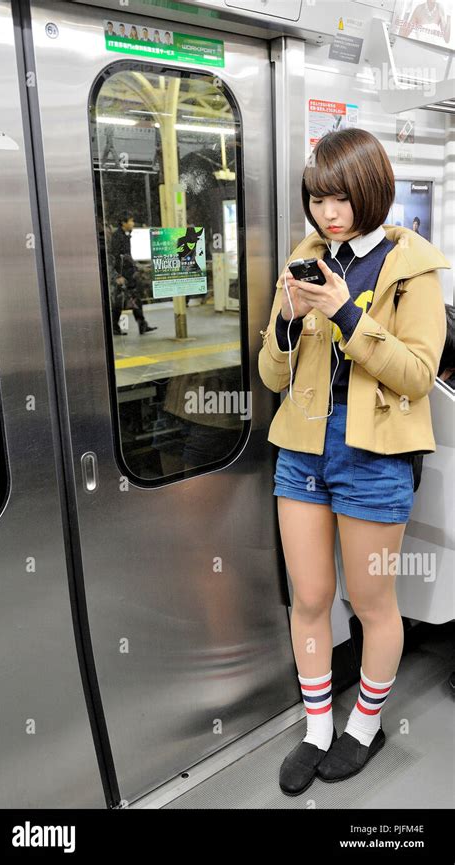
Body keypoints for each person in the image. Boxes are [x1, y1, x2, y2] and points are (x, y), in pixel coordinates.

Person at [258, 127, 451, 796]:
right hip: (303, 445)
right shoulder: (308, 255)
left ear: (371, 191)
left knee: (370, 601)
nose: (328, 213)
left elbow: (419, 374)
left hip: (375, 452)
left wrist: (346, 314)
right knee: (309, 597)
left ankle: (364, 725)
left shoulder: (414, 268)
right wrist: (286, 322)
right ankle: (317, 728)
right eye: (317, 199)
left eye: (340, 199)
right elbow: (271, 373)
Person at [110, 212, 157, 335]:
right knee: (120, 302)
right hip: (122, 274)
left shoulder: (125, 235)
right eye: (130, 221)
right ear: (123, 223)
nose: (132, 223)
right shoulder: (117, 237)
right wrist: (117, 276)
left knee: (135, 299)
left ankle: (142, 325)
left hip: (129, 273)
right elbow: (115, 257)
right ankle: (115, 326)